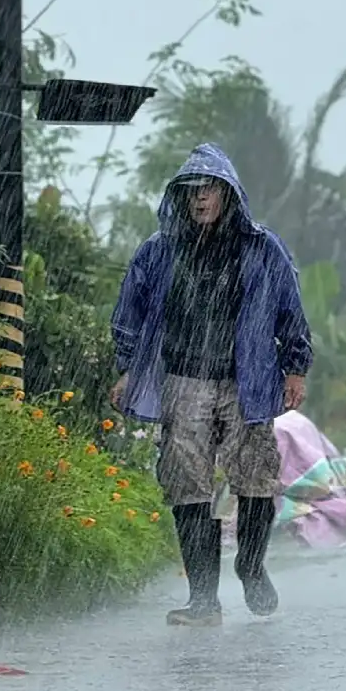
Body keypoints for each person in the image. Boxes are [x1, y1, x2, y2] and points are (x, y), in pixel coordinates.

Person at [109, 143, 313, 627]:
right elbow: (130, 314)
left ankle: (250, 565)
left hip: (248, 379)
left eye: (210, 188)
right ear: (179, 196)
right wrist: (127, 367)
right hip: (184, 379)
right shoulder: (159, 252)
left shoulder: (262, 248)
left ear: (228, 194)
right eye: (192, 190)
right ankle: (203, 599)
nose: (201, 198)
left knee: (256, 477)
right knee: (187, 485)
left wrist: (295, 366)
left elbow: (290, 307)